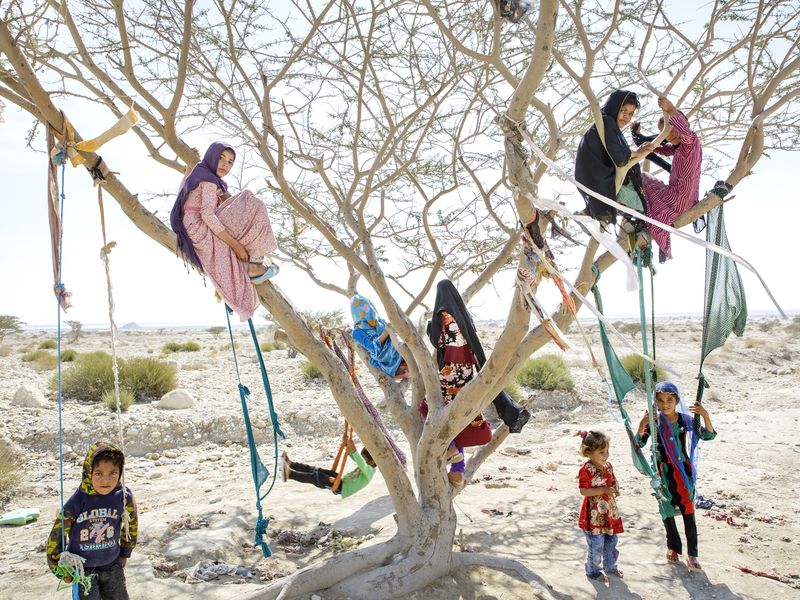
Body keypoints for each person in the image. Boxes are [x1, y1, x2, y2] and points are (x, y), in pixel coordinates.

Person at [422, 280, 531, 487]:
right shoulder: (465, 316)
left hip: (451, 371)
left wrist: (430, 327)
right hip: (466, 372)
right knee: (457, 418)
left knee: (427, 406)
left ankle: (451, 449)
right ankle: (457, 471)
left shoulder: (443, 315)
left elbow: (438, 340)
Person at [170, 142, 279, 321]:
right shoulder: (208, 180)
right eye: (221, 158)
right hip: (201, 229)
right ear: (212, 157)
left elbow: (183, 192)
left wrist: (189, 169)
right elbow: (207, 215)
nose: (225, 164)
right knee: (252, 202)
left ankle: (253, 263)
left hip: (191, 227)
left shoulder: (198, 175)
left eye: (230, 162)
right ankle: (254, 264)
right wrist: (236, 246)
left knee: (245, 200)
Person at [635, 381, 717, 571]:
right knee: (666, 510)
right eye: (660, 400)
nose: (665, 404)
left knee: (688, 509)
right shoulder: (654, 423)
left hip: (683, 472)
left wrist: (704, 415)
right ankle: (673, 547)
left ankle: (692, 555)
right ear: (655, 402)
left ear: (677, 401)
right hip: (662, 473)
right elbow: (639, 443)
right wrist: (642, 424)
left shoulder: (685, 420)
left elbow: (708, 436)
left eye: (669, 400)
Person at [47, 441, 138, 599]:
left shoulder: (123, 496)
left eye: (113, 473)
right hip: (83, 571)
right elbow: (57, 533)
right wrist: (59, 568)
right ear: (89, 472)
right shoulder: (78, 501)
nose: (106, 480)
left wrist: (125, 552)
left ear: (120, 472)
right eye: (98, 474)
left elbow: (131, 524)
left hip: (113, 566)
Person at [635, 97, 704, 262]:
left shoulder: (691, 141)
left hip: (677, 200)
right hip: (687, 201)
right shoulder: (680, 149)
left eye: (671, 130)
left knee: (643, 177)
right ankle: (645, 221)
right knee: (648, 183)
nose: (670, 135)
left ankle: (644, 221)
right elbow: (664, 149)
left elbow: (683, 131)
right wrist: (648, 144)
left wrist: (671, 109)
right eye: (665, 133)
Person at [575, 90, 655, 228]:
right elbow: (619, 157)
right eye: (623, 110)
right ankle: (632, 226)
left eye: (631, 114)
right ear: (614, 107)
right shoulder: (607, 121)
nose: (626, 116)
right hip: (599, 180)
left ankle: (590, 214)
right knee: (647, 205)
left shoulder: (608, 124)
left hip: (595, 180)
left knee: (643, 200)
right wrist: (636, 152)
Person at [577, 430, 624, 582]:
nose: (606, 455)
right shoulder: (586, 469)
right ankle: (593, 571)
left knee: (612, 541)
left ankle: (610, 566)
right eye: (601, 452)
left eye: (607, 451)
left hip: (609, 512)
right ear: (589, 452)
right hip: (594, 515)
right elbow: (584, 491)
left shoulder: (608, 466)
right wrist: (603, 490)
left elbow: (613, 481)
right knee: (596, 544)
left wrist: (615, 488)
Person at [281, 440, 376, 499]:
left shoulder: (369, 472)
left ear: (372, 462)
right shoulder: (367, 466)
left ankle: (289, 474)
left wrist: (354, 449)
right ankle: (291, 464)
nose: (363, 459)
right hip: (341, 480)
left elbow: (360, 462)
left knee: (316, 477)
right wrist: (347, 447)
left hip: (341, 488)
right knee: (314, 470)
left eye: (364, 458)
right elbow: (356, 458)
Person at [350, 294, 410, 382]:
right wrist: (386, 332)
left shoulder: (380, 322)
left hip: (395, 349)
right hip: (383, 355)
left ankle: (405, 368)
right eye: (365, 309)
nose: (369, 311)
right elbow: (373, 349)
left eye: (369, 307)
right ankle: (399, 372)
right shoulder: (357, 332)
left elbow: (392, 333)